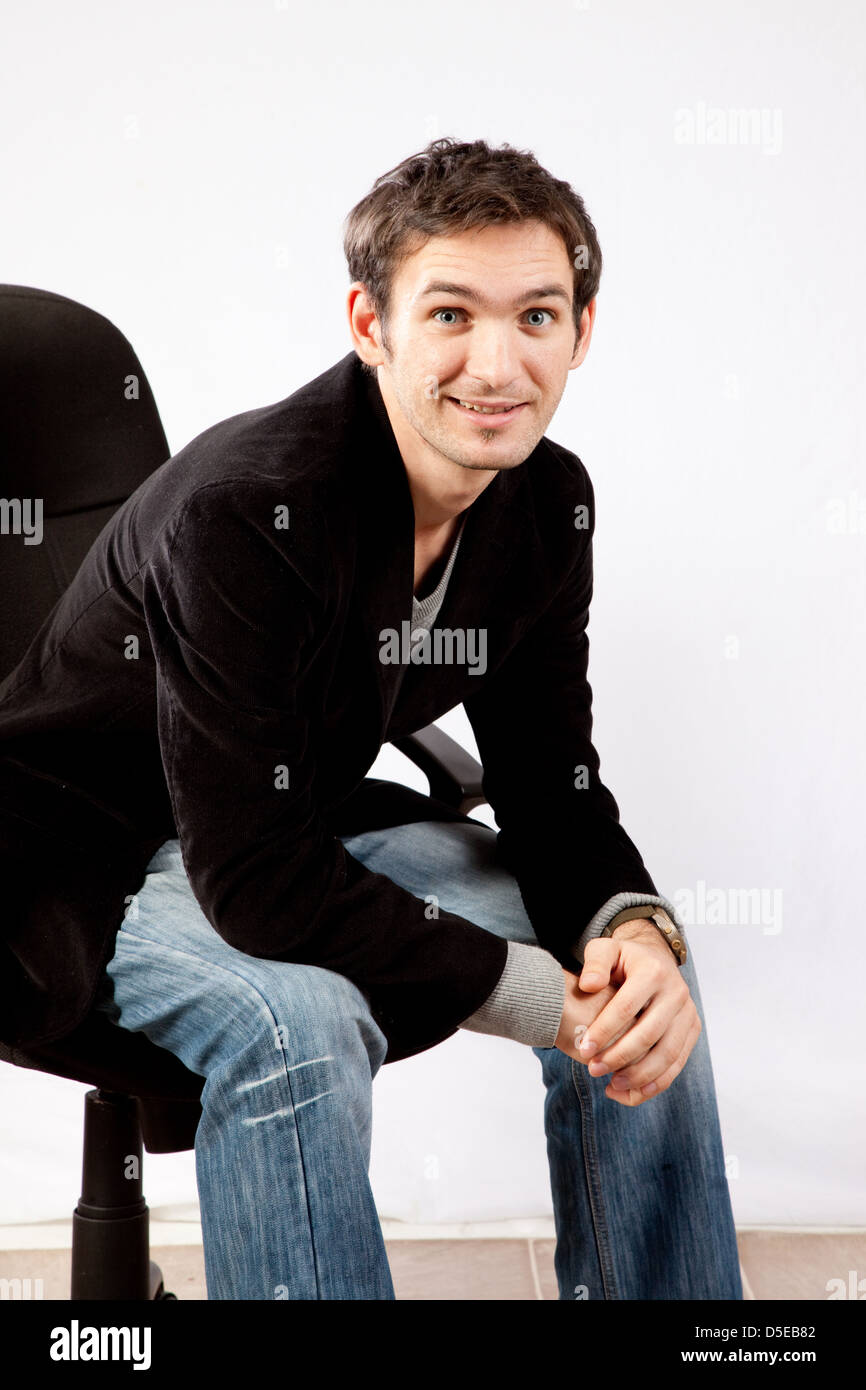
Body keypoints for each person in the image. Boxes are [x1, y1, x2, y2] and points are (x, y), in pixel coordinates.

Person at [0, 136, 741, 1300]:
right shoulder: (248, 507)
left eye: (535, 316)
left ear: (579, 334)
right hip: (75, 856)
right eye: (449, 313)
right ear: (369, 322)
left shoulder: (546, 502)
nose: (495, 364)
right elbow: (251, 881)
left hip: (286, 821)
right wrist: (550, 1003)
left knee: (642, 984)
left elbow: (551, 781)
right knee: (299, 1020)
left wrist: (627, 934)